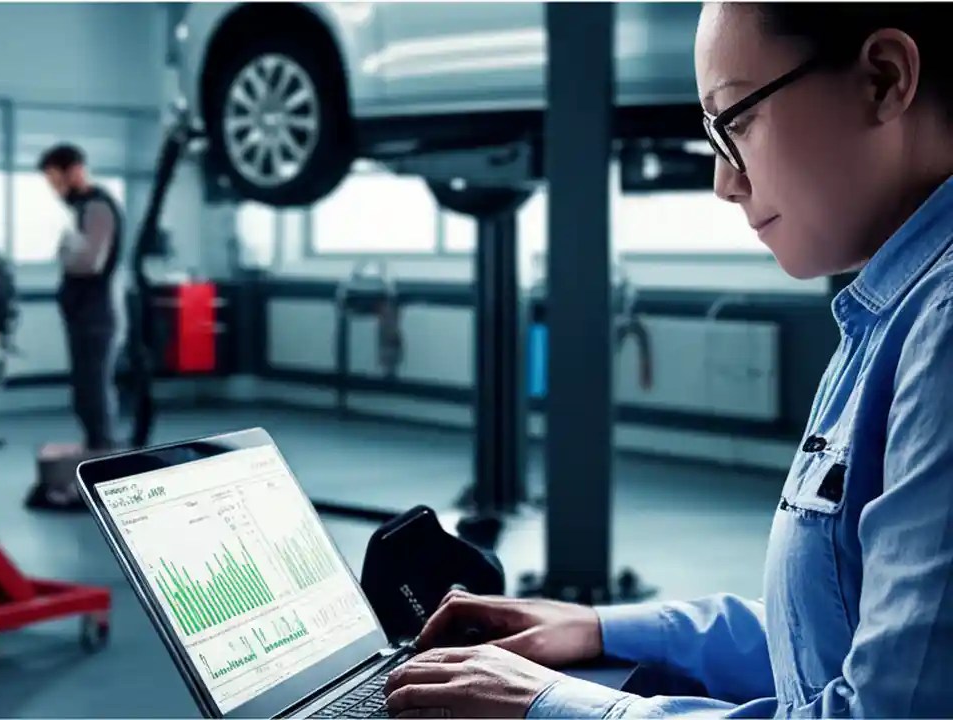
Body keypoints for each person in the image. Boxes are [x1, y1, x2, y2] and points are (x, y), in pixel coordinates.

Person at [384, 4, 953, 718]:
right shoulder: (891, 315)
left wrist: (553, 709)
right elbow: (833, 639)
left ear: (883, 79)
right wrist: (596, 627)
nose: (723, 180)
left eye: (734, 122)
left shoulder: (942, 331)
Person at [39, 143, 128, 455]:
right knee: (84, 390)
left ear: (75, 171)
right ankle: (95, 447)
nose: (54, 189)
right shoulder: (82, 209)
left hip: (97, 316)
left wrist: (65, 246)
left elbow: (90, 262)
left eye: (56, 180)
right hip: (83, 314)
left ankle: (103, 452)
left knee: (93, 389)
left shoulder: (98, 206)